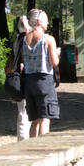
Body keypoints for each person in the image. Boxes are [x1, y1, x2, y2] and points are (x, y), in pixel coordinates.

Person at [21, 8, 61, 138]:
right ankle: (44, 149)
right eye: (46, 20)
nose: (48, 23)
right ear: (39, 21)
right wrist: (57, 53)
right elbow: (54, 62)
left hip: (29, 81)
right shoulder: (48, 39)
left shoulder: (24, 39)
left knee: (35, 120)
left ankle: (32, 148)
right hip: (44, 81)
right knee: (45, 118)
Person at [6, 15, 30, 141]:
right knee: (25, 111)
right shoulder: (25, 39)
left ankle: (22, 138)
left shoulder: (17, 39)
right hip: (24, 77)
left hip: (17, 77)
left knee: (22, 111)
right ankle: (24, 139)